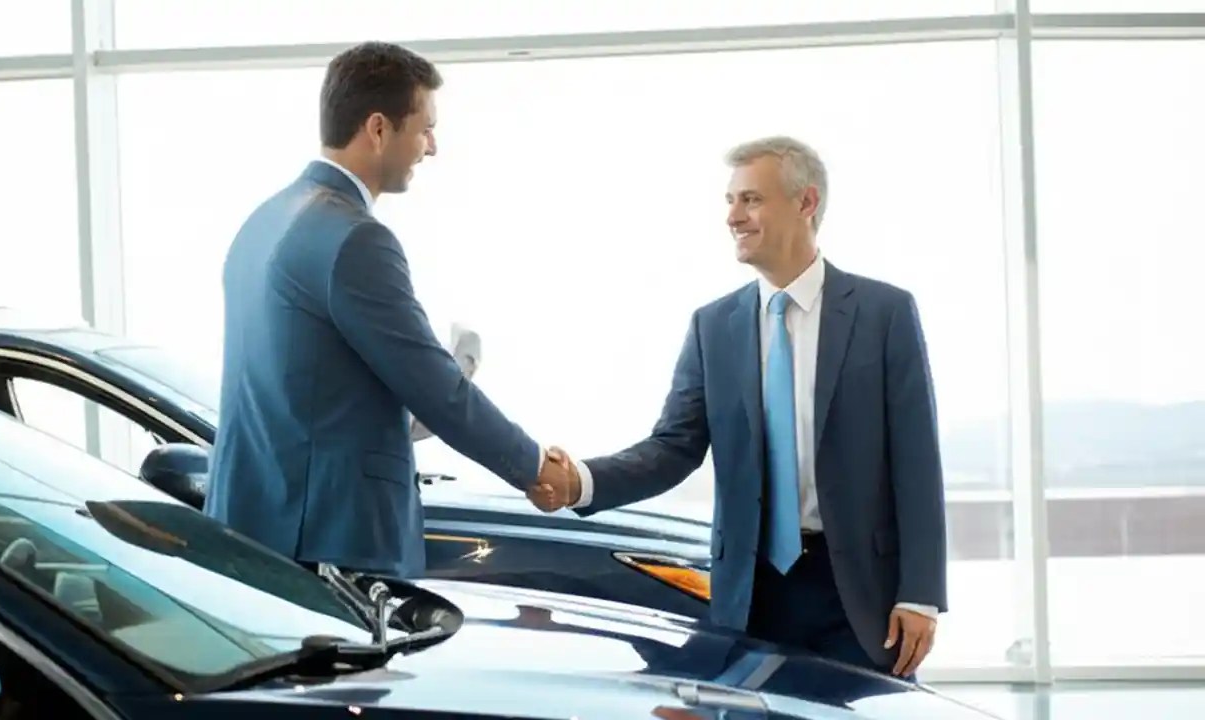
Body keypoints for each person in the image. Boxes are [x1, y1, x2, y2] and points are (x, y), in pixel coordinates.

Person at [533, 136, 947, 678]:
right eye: (730, 201)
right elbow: (672, 449)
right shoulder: (713, 326)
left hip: (860, 597)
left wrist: (921, 595)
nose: (733, 217)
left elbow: (917, 463)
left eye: (750, 199)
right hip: (750, 595)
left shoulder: (884, 313)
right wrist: (581, 481)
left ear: (806, 203)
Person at [204, 41, 571, 579]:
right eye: (425, 128)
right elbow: (436, 386)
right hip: (329, 540)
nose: (432, 147)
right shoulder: (355, 239)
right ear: (378, 129)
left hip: (256, 521)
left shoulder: (264, 221)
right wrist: (534, 466)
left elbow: (309, 386)